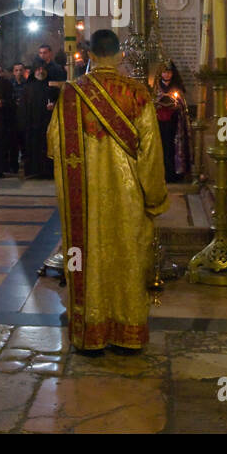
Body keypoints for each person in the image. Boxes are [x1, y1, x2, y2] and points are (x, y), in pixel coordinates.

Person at [47, 29, 168, 352]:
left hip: (83, 201)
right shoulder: (137, 93)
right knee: (127, 258)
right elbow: (151, 154)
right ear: (119, 56)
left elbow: (54, 146)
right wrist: (155, 199)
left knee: (87, 258)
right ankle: (127, 334)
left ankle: (90, 335)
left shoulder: (71, 95)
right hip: (128, 201)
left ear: (89, 55)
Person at [153, 61, 191, 182]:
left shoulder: (177, 89)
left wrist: (176, 107)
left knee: (172, 148)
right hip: (160, 124)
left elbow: (182, 107)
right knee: (162, 147)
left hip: (174, 124)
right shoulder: (156, 88)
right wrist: (157, 105)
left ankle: (174, 175)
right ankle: (160, 174)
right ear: (160, 73)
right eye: (164, 72)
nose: (167, 75)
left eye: (169, 72)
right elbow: (151, 103)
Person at [19, 62, 56, 179]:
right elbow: (23, 107)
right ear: (34, 71)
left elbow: (59, 102)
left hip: (47, 123)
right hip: (32, 125)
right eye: (38, 69)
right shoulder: (28, 88)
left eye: (42, 69)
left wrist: (54, 105)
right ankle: (33, 171)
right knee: (33, 147)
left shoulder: (52, 86)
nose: (40, 71)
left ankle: (48, 171)